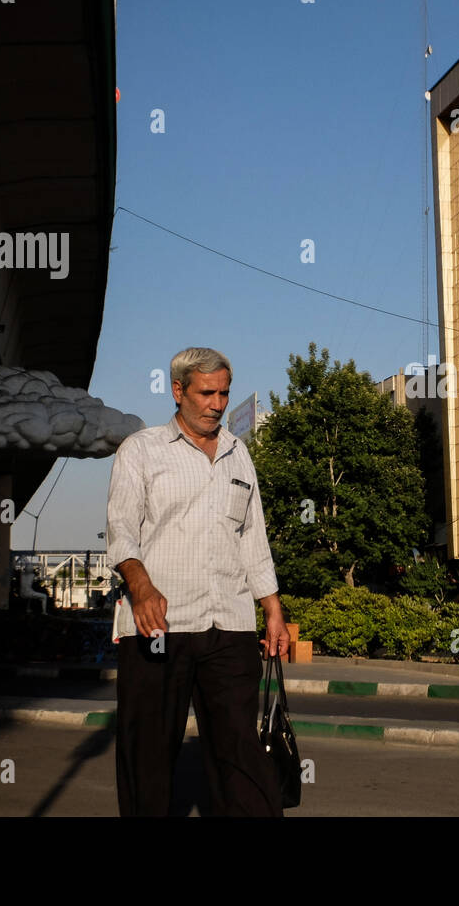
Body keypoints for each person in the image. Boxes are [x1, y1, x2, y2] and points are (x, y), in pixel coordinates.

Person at [106, 347, 288, 817]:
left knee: (240, 752)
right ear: (178, 391)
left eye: (224, 393)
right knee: (148, 752)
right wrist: (140, 584)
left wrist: (272, 609)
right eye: (207, 393)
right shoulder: (141, 451)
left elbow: (253, 538)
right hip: (159, 626)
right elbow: (122, 529)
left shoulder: (237, 453)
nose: (218, 403)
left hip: (228, 624)